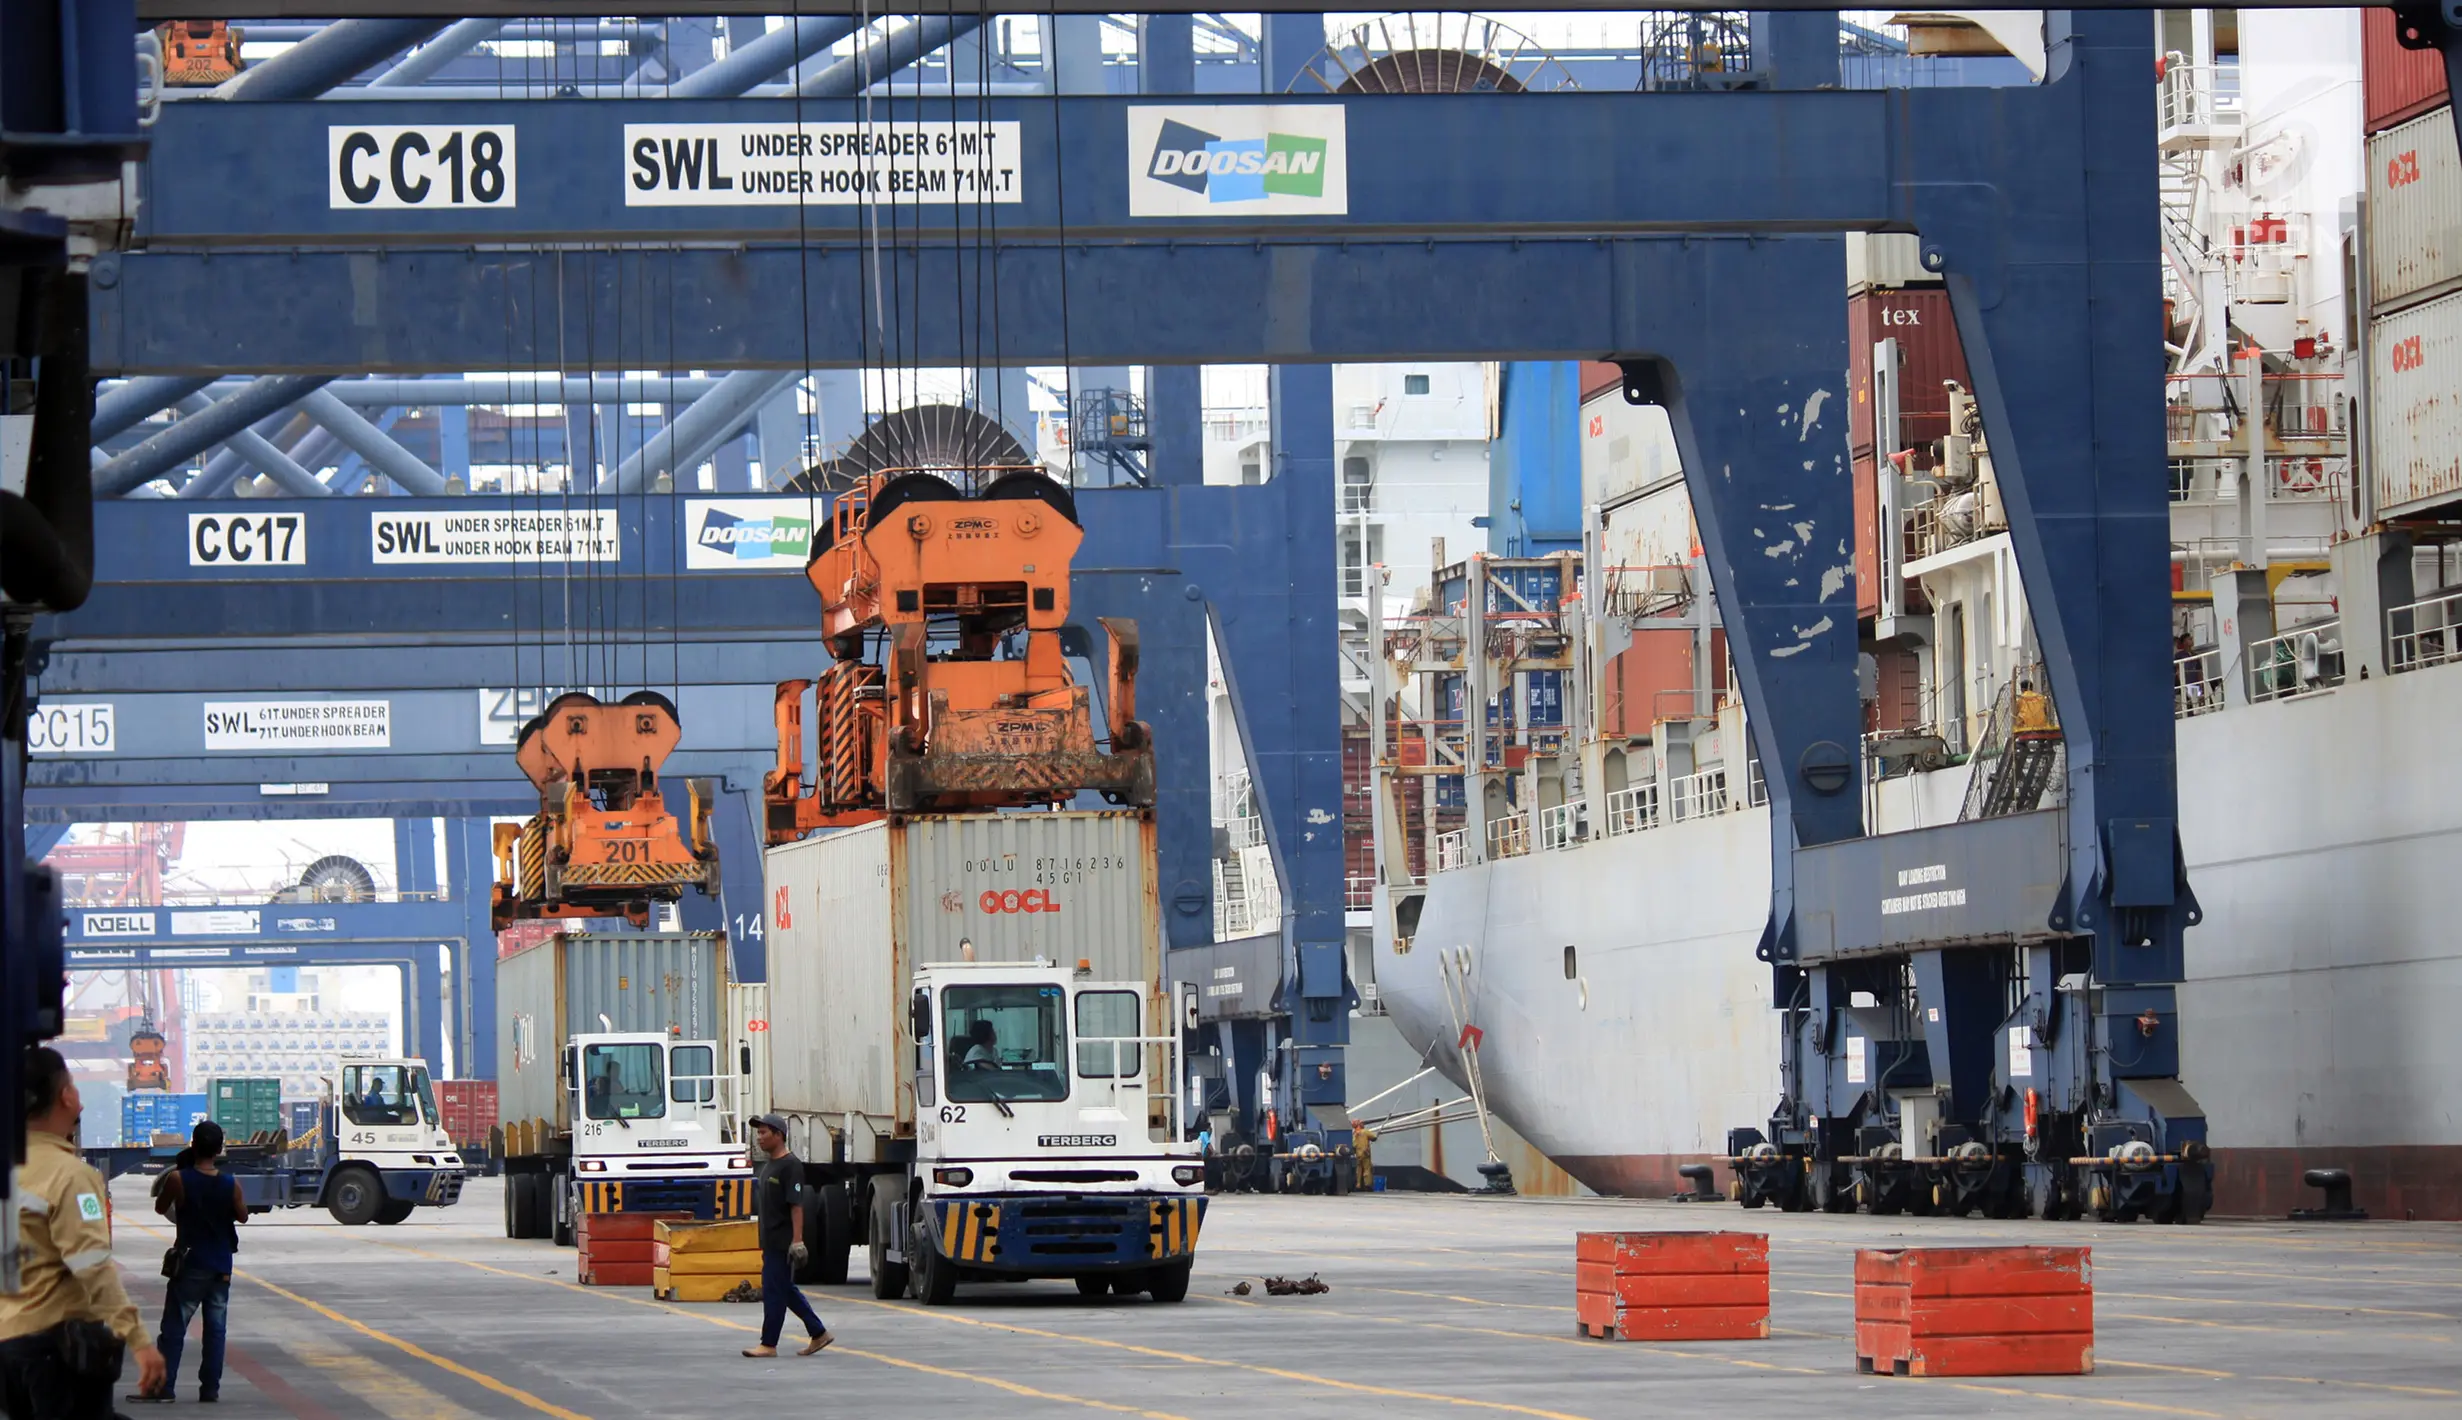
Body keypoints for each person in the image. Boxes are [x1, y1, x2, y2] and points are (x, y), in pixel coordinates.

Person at [0, 1047, 166, 1418]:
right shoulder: (70, 1176)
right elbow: (92, 1265)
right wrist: (138, 1339)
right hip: (54, 1351)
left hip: (9, 1348)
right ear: (66, 1096)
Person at [128, 1120, 251, 1404]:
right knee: (216, 1330)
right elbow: (242, 1216)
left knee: (174, 1328)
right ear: (220, 1149)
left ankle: (164, 1388)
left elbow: (160, 1207)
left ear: (193, 1145)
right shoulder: (231, 1183)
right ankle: (210, 1390)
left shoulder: (178, 1179)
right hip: (221, 1265)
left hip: (191, 1263)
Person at [741, 1115, 831, 1360]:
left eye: (763, 1133)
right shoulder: (769, 1165)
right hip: (769, 1240)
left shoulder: (790, 1166)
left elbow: (796, 1206)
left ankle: (768, 1344)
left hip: (782, 1242)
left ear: (778, 1135)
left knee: (773, 1291)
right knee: (784, 1289)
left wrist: (797, 1240)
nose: (759, 1138)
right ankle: (818, 1332)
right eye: (758, 1133)